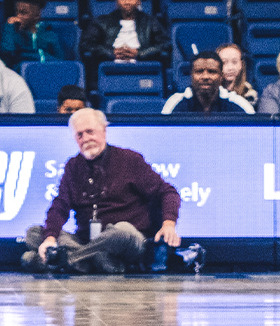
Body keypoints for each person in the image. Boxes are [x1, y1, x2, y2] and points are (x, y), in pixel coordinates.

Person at [27, 109, 181, 273]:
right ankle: (95, 261)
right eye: (79, 135)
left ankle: (68, 260)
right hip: (87, 240)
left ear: (104, 131)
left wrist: (169, 224)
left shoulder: (129, 159)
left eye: (90, 132)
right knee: (34, 233)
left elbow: (167, 192)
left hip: (127, 240)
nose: (86, 139)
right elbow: (60, 206)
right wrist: (50, 238)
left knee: (121, 231)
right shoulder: (73, 166)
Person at [81, 0, 171, 67]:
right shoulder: (102, 21)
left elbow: (165, 44)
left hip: (142, 64)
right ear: (117, 1)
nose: (127, 2)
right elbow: (86, 44)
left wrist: (139, 53)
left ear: (138, 1)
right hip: (110, 65)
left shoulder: (150, 21)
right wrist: (111, 53)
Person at [164, 51, 254, 114]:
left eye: (212, 71)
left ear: (221, 76)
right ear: (191, 75)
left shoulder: (239, 103)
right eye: (199, 71)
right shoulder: (175, 102)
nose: (205, 77)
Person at [0, 0, 68, 69]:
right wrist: (9, 26)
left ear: (37, 15)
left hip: (48, 72)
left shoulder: (50, 34)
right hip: (23, 75)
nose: (18, 17)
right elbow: (7, 52)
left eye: (23, 13)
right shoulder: (14, 34)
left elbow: (61, 61)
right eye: (17, 12)